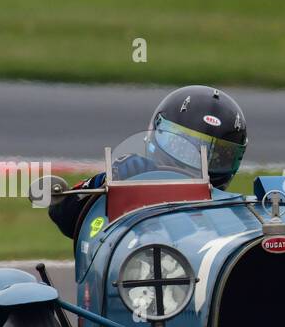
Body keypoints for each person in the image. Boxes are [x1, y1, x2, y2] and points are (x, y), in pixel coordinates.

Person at [49, 85, 249, 239]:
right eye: (181, 144)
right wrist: (106, 182)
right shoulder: (129, 180)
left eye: (217, 156)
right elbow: (62, 213)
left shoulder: (235, 211)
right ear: (156, 131)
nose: (197, 161)